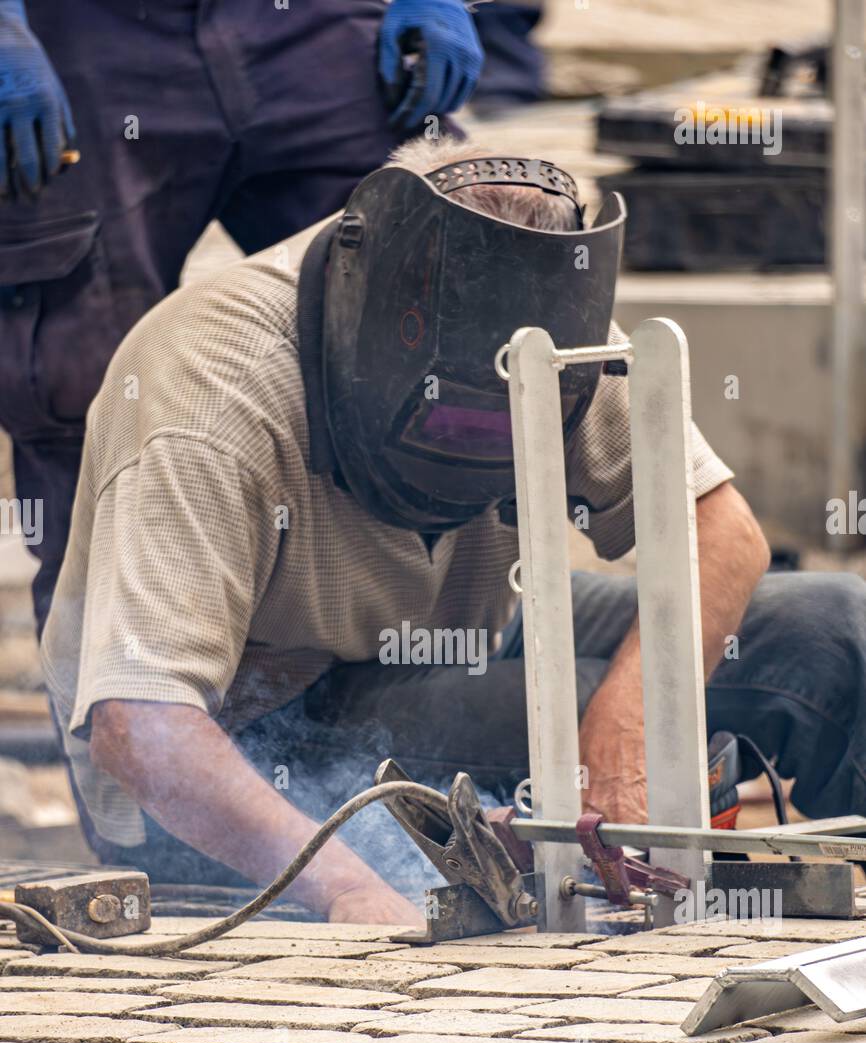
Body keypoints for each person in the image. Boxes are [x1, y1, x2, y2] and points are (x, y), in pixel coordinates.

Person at [41, 135, 866, 927]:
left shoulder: (548, 313)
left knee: (831, 629)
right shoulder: (211, 393)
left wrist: (630, 727)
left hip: (472, 627)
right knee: (567, 713)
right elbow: (138, 728)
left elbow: (722, 529)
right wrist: (343, 893)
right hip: (253, 731)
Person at [0, 0, 483, 629]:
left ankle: (416, 666)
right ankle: (121, 688)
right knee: (80, 367)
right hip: (77, 35)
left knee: (433, 288)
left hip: (301, 26)